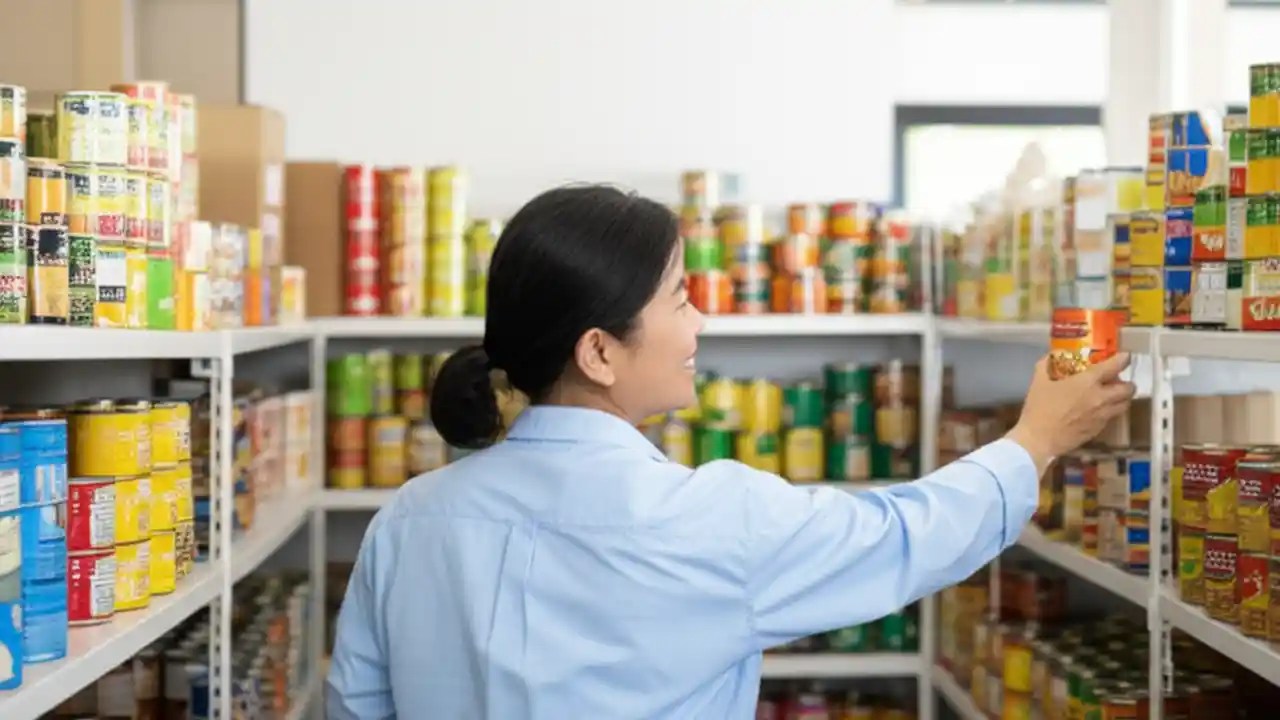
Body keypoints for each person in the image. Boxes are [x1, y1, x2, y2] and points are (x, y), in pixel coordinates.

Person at [326, 185, 1134, 719]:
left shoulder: (410, 519)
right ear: (600, 352)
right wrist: (1038, 439)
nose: (699, 322)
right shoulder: (709, 520)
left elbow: (357, 706)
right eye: (680, 297)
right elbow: (901, 538)